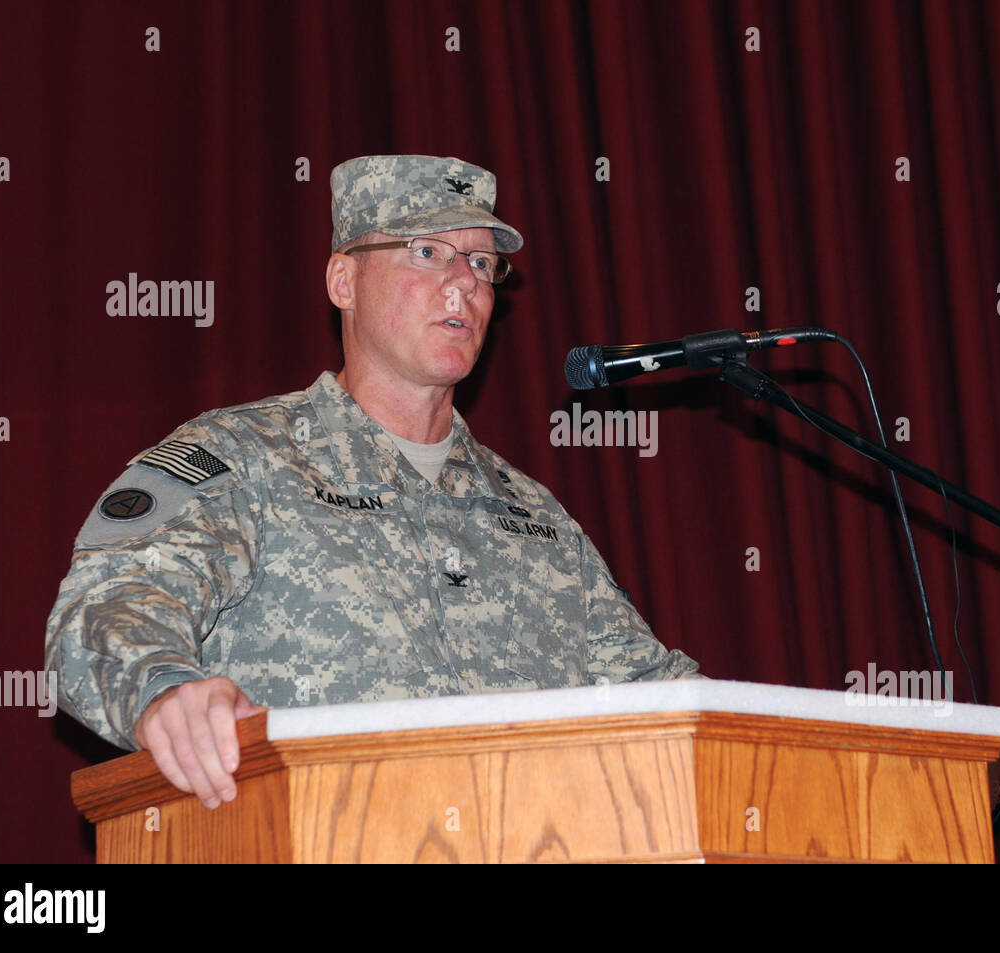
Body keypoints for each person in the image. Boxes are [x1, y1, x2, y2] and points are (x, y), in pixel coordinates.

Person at [45, 155, 702, 810]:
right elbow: (106, 602)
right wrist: (164, 690)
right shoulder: (244, 459)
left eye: (480, 262)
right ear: (343, 280)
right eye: (426, 251)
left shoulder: (533, 514)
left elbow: (663, 699)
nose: (463, 285)